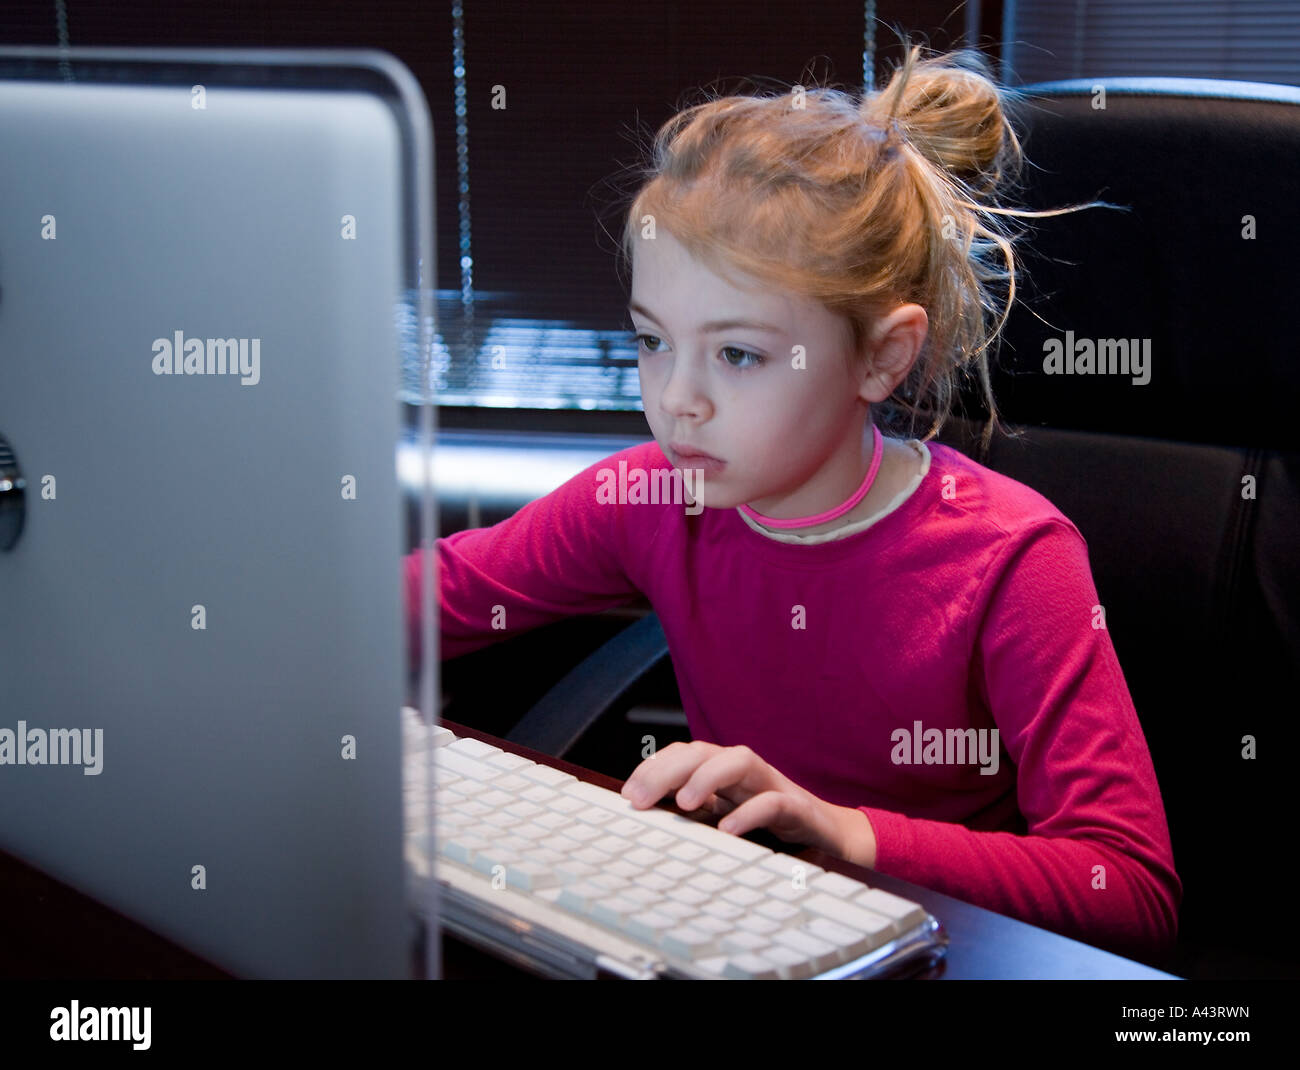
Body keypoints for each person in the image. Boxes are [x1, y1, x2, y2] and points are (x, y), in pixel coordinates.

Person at [409, 43, 1181, 964]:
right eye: (654, 342)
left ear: (882, 359)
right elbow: (429, 597)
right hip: (741, 935)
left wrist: (847, 834)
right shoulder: (656, 494)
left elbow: (1128, 888)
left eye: (737, 354)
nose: (676, 400)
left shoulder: (1014, 556)